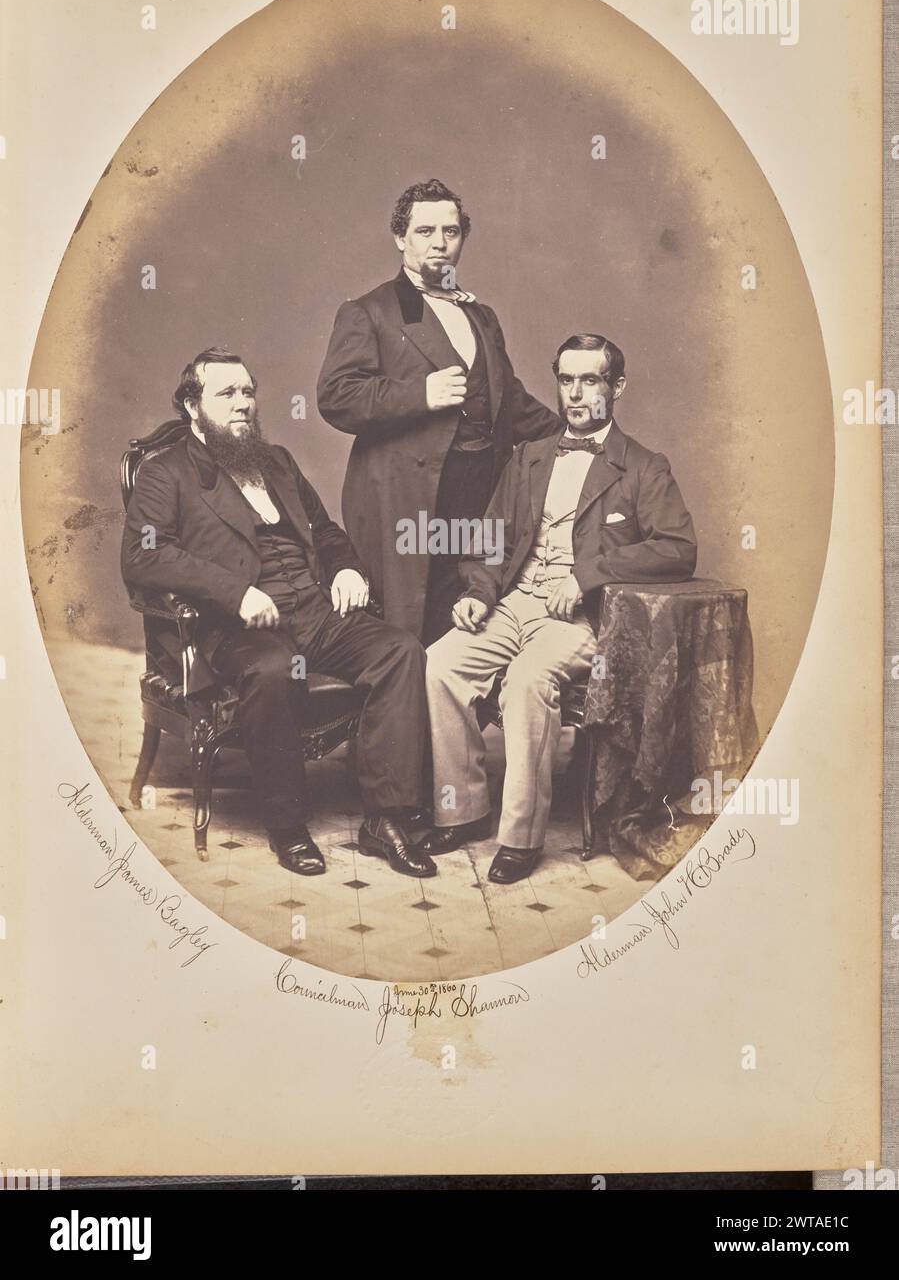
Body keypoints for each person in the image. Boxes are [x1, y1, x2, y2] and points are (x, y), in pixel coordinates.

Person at [121, 348, 437, 879]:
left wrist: (345, 571)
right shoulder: (165, 474)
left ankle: (386, 817)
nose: (243, 403)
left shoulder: (277, 462)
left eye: (248, 391)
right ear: (192, 407)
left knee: (400, 651)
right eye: (226, 394)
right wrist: (235, 592)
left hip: (313, 611)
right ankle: (287, 826)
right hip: (234, 625)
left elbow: (327, 532)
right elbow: (143, 555)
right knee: (271, 669)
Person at [423, 334, 697, 882]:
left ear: (616, 387)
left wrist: (587, 575)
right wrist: (478, 592)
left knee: (527, 679)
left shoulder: (643, 467)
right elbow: (490, 539)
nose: (576, 393)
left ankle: (521, 837)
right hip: (513, 600)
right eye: (566, 379)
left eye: (590, 380)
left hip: (580, 619)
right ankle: (465, 810)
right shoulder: (528, 457)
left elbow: (678, 548)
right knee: (440, 664)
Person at [317, 177, 561, 646]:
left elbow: (510, 400)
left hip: (481, 489)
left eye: (451, 232)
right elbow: (336, 396)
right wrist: (420, 393)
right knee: (411, 625)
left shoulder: (481, 315)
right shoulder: (369, 311)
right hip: (406, 497)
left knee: (468, 613)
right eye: (425, 231)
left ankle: (454, 717)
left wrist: (576, 437)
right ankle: (404, 720)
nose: (439, 244)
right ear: (400, 239)